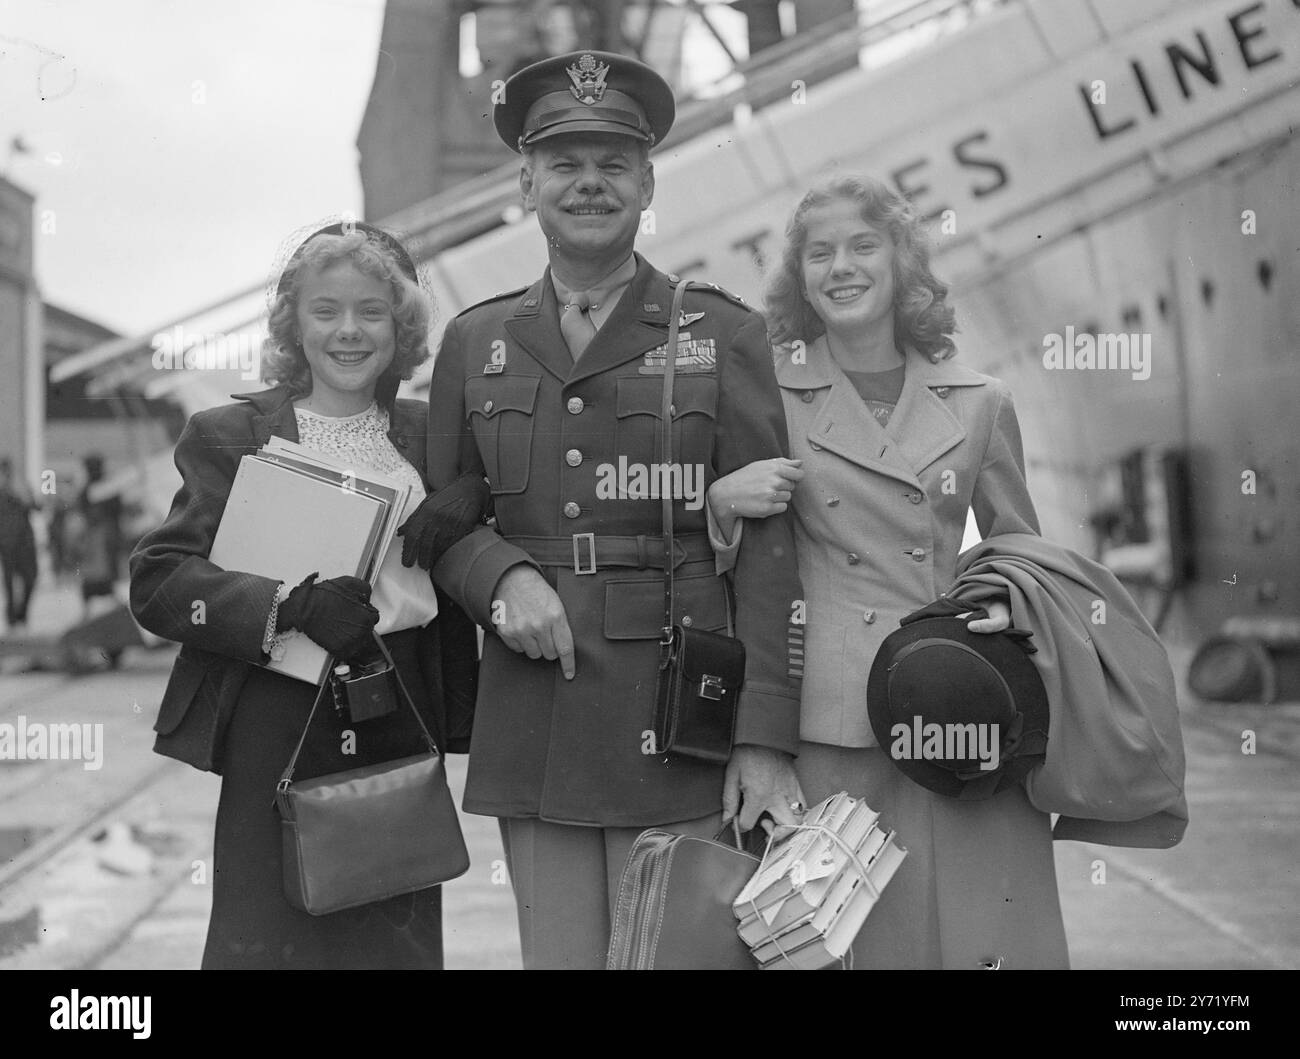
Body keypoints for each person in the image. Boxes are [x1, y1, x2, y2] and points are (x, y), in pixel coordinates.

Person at [420, 50, 806, 969]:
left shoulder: (720, 332)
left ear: (647, 182)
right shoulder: (474, 342)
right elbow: (444, 522)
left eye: (612, 164)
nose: (588, 183)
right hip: (536, 713)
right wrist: (502, 574)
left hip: (679, 715)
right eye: (564, 163)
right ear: (527, 181)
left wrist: (762, 738)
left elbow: (769, 549)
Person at [708, 173, 1070, 968]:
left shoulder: (981, 401)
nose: (842, 267)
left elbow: (1022, 552)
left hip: (956, 703)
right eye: (820, 253)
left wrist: (1006, 601)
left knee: (977, 937)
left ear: (902, 261)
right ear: (798, 277)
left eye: (863, 246)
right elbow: (730, 572)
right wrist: (720, 504)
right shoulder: (770, 390)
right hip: (832, 722)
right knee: (848, 947)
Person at [129, 222, 485, 969]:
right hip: (277, 706)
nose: (348, 331)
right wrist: (285, 605)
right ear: (295, 323)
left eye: (371, 312)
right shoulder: (230, 434)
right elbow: (159, 581)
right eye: (326, 311)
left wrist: (475, 493)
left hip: (399, 696)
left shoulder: (436, 433)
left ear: (403, 327)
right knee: (269, 931)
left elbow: (524, 495)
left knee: (394, 928)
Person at [76, 454, 124, 620]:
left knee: (101, 575)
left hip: (101, 538)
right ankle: (100, 609)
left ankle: (99, 610)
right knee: (99, 575)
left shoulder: (97, 489)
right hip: (99, 539)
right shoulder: (101, 488)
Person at [0, 458, 39, 632]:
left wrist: (25, 495)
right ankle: (12, 619)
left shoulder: (20, 488)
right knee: (9, 583)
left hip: (25, 542)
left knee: (30, 579)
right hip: (7, 543)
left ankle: (21, 613)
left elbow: (37, 507)